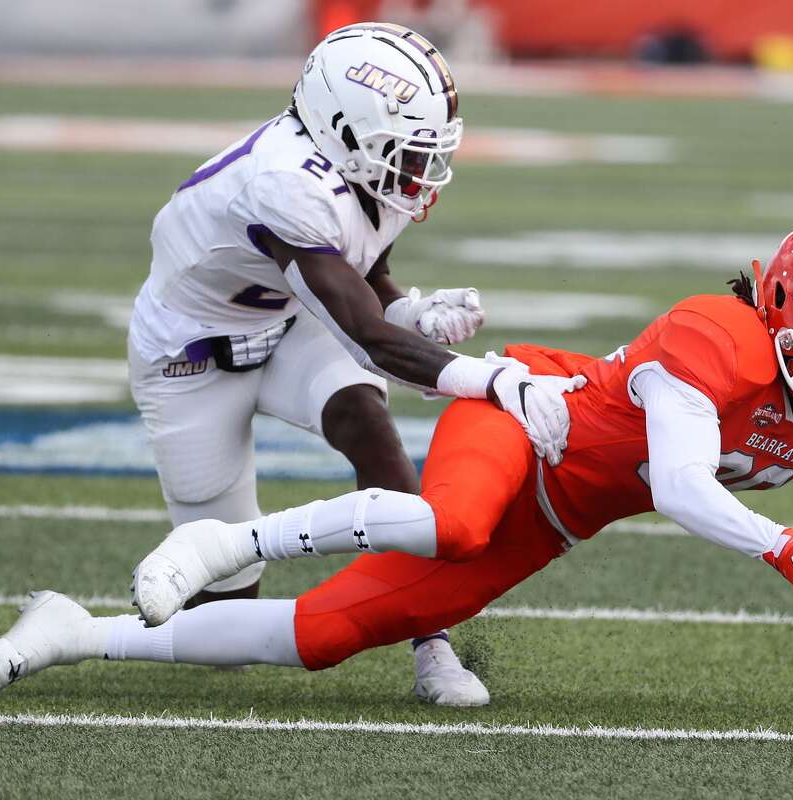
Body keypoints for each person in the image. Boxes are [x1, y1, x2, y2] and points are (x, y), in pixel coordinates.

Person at [0, 221, 793, 700]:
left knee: (316, 637)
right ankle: (228, 538)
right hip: (527, 418)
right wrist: (778, 541)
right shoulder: (709, 340)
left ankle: (76, 627)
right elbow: (674, 483)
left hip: (557, 517)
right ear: (780, 304)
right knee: (455, 520)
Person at [119, 22, 584, 706]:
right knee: (220, 619)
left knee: (369, 426)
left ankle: (433, 646)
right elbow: (366, 333)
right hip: (190, 357)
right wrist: (488, 377)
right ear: (343, 128)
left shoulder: (359, 170)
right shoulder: (287, 184)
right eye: (406, 150)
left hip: (286, 321)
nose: (421, 172)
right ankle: (77, 632)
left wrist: (414, 315)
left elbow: (369, 280)